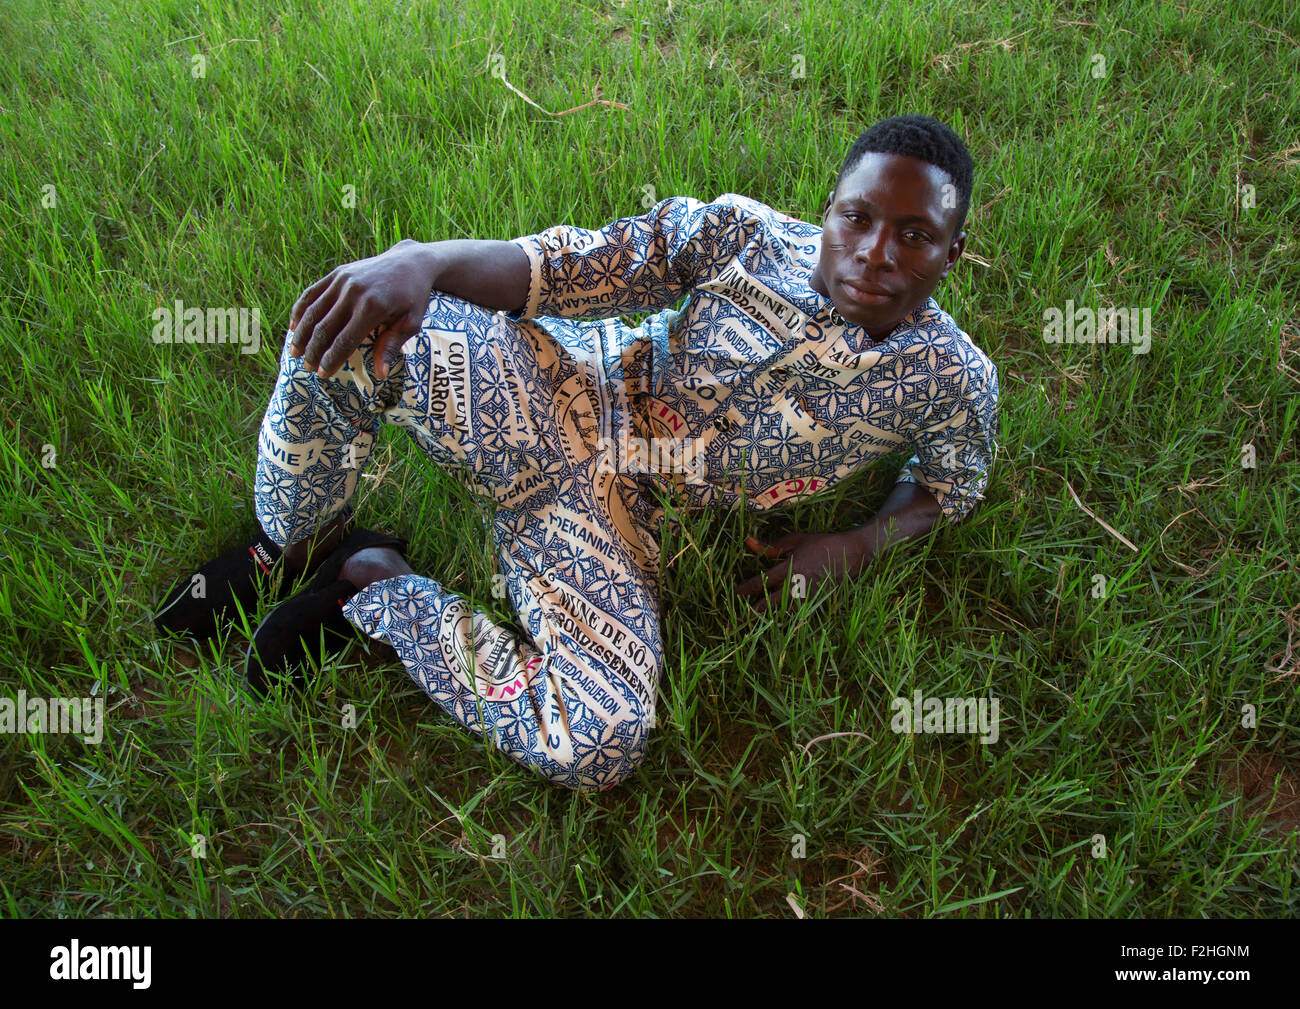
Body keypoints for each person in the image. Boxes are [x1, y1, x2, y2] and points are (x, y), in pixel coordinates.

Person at [154, 114, 999, 792]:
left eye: (916, 235)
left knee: (599, 741)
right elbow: (568, 268)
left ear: (952, 254)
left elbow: (948, 484)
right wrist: (422, 260)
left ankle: (372, 584)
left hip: (617, 522)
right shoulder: (741, 236)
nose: (876, 252)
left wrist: (850, 545)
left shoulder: (954, 378)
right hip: (557, 391)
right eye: (857, 217)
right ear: (829, 211)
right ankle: (290, 538)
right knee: (352, 319)